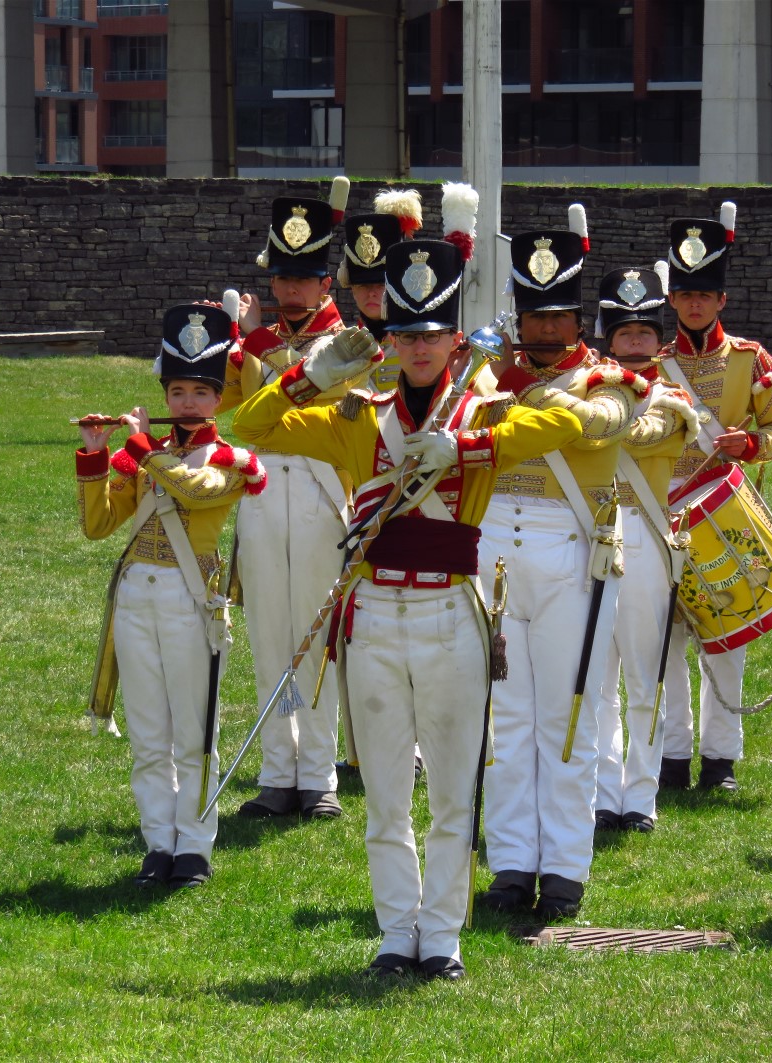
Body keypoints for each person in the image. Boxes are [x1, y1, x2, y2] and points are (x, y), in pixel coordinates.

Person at [233, 238, 582, 981]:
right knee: (387, 793)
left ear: (455, 340)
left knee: (454, 788)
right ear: (387, 341)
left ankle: (443, 936)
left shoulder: (486, 408)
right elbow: (250, 430)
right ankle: (398, 932)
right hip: (375, 612)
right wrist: (308, 376)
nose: (418, 348)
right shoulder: (358, 415)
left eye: (432, 335)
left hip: (450, 615)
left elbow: (566, 425)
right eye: (405, 335)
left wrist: (470, 449)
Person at [472, 207, 647, 921]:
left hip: (573, 551)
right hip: (492, 551)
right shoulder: (483, 377)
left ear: (578, 320)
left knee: (569, 715)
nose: (543, 329)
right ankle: (511, 862)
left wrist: (517, 406)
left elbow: (601, 422)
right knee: (507, 720)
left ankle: (566, 868)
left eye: (556, 317)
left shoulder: (614, 379)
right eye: (531, 315)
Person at [77, 304, 266, 889]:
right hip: (136, 596)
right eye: (177, 390)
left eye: (200, 392)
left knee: (195, 732)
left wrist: (144, 449)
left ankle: (195, 847)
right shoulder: (143, 457)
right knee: (150, 734)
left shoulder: (233, 461)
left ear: (218, 399)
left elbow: (198, 490)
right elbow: (99, 524)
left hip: (192, 601)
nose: (187, 402)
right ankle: (158, 843)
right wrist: (93, 455)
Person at [222, 181, 380, 822]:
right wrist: (230, 339)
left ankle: (317, 776)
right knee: (269, 637)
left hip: (320, 492)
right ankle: (275, 773)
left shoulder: (352, 344)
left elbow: (327, 408)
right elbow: (224, 405)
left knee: (313, 638)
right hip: (259, 490)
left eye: (306, 276)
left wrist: (263, 345)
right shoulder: (255, 342)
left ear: (326, 284)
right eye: (284, 275)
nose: (292, 289)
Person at [656, 203, 772, 795]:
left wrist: (753, 443)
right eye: (685, 293)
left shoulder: (749, 360)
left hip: (727, 511)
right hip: (663, 515)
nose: (694, 304)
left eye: (705, 294)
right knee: (664, 643)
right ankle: (670, 757)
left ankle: (720, 760)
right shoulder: (653, 363)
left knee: (726, 640)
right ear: (672, 300)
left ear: (721, 301)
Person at [592, 265, 698, 834]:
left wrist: (591, 413)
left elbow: (639, 434)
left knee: (643, 673)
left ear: (659, 339)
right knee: (597, 675)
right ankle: (605, 793)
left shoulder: (673, 398)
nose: (635, 343)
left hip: (644, 533)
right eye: (624, 334)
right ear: (607, 338)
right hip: (589, 533)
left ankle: (641, 795)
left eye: (644, 333)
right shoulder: (587, 391)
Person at [337, 187, 423, 391]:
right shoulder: (338, 345)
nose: (372, 293)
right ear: (352, 289)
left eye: (380, 284)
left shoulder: (420, 345)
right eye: (363, 285)